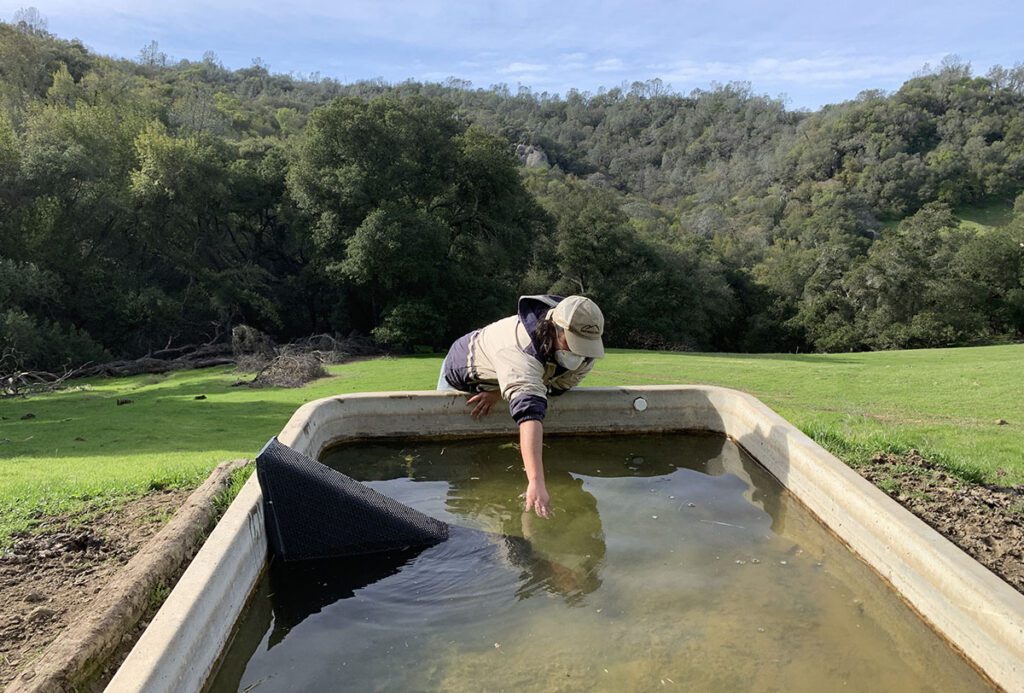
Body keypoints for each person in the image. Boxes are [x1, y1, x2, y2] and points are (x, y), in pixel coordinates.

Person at [437, 295, 605, 518]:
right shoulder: (518, 346)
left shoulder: (585, 356)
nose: (579, 354)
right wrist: (536, 482)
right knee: (455, 468)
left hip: (508, 375)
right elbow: (530, 413)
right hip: (464, 372)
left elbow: (551, 388)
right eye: (571, 344)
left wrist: (499, 392)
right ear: (555, 328)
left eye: (584, 347)